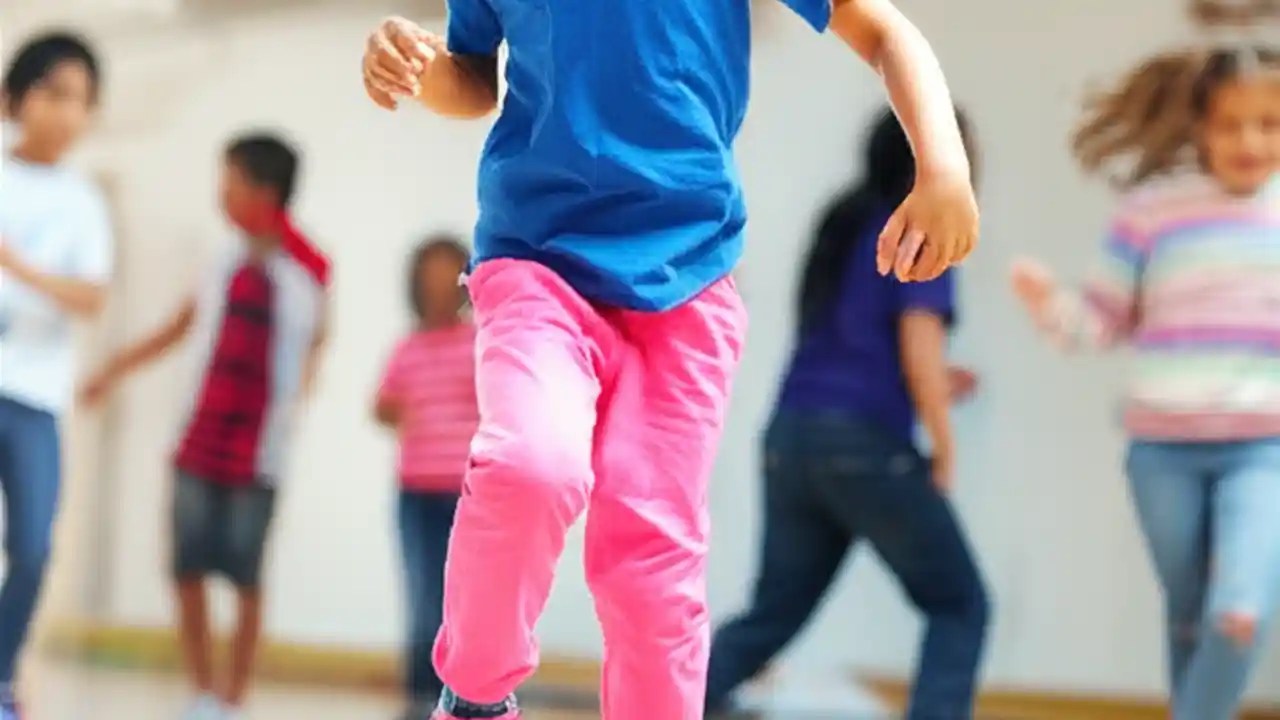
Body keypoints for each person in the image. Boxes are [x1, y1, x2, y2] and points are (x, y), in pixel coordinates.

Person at [360, 0, 980, 716]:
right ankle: (474, 698)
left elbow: (885, 32)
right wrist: (421, 68)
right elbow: (474, 74)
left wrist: (944, 166)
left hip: (686, 286)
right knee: (530, 465)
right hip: (537, 262)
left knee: (650, 562)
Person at [1011, 46, 1280, 720]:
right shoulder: (1152, 211)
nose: (1249, 142)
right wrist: (1049, 305)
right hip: (1163, 453)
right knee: (1188, 617)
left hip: (1264, 451)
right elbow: (1102, 322)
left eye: (1269, 124)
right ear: (1199, 127)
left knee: (1238, 615)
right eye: (1230, 124)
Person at [705, 107, 988, 719]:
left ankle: (664, 704)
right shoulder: (922, 226)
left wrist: (940, 383)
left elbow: (854, 343)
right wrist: (944, 447)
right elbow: (918, 348)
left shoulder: (847, 221)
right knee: (960, 604)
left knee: (772, 615)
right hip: (863, 444)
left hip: (792, 438)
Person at [79, 133, 331, 720]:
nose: (221, 194)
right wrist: (114, 368)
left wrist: (301, 398)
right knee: (186, 566)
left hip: (258, 450)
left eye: (230, 182)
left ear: (265, 191)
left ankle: (233, 697)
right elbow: (181, 326)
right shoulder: (221, 260)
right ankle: (201, 691)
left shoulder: (307, 275)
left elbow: (316, 346)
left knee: (246, 574)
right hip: (200, 438)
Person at [0, 32, 112, 720]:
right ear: (14, 98)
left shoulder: (82, 203)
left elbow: (92, 297)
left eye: (81, 100)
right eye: (53, 93)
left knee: (35, 548)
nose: (67, 112)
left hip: (35, 398)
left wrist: (19, 267)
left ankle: (1, 674)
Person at [374, 236, 478, 720]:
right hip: (416, 494)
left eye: (447, 274)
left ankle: (469, 699)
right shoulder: (408, 348)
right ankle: (421, 699)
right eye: (429, 276)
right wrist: (400, 411)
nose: (438, 285)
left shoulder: (480, 343)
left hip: (469, 496)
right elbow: (382, 406)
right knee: (423, 598)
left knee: (469, 603)